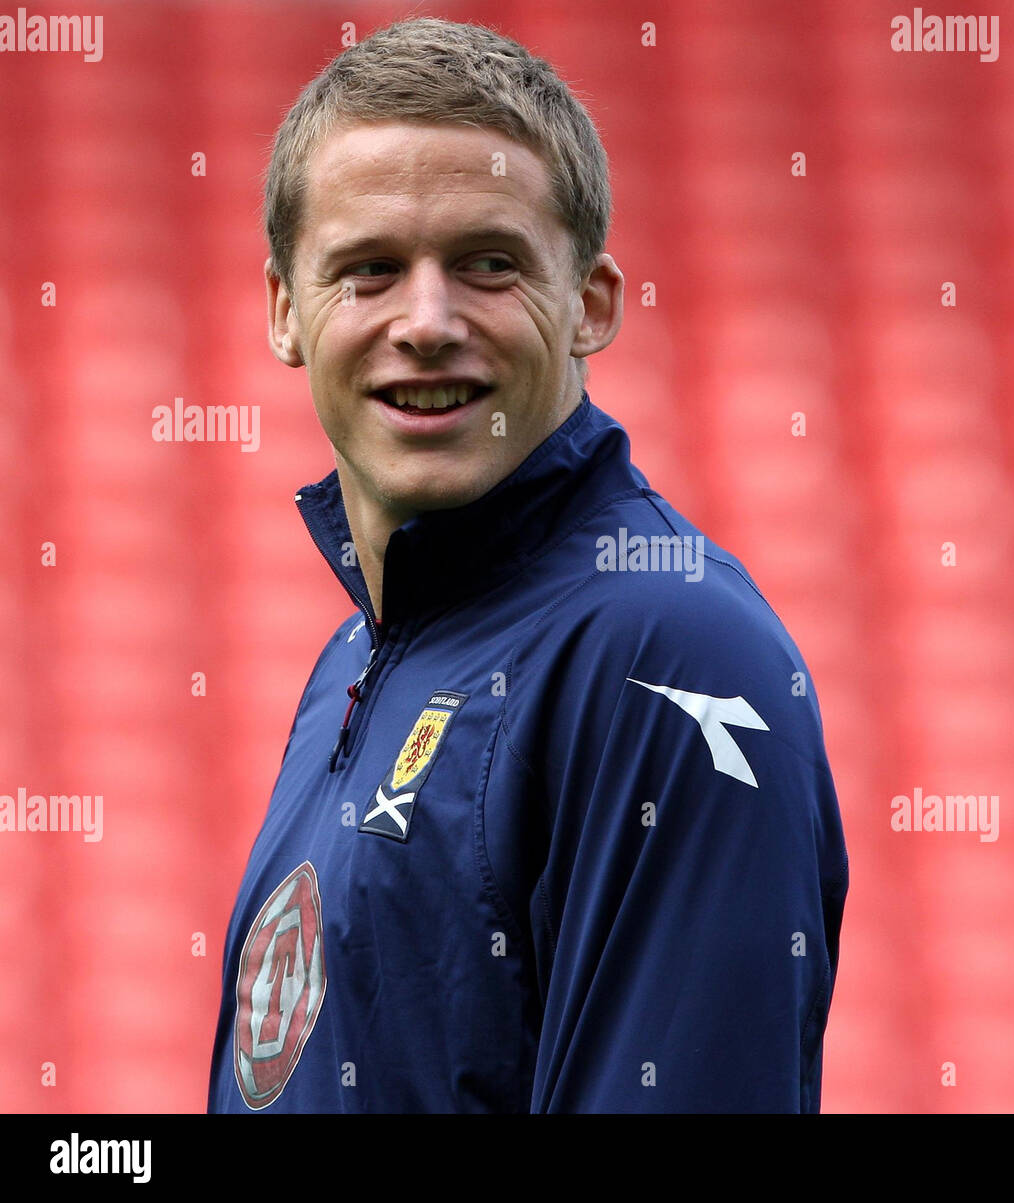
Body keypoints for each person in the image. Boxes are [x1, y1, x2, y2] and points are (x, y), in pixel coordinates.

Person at [207, 15, 848, 1114]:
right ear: (285, 311)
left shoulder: (672, 656)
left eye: (486, 265)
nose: (425, 321)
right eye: (367, 271)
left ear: (590, 303)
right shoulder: (357, 658)